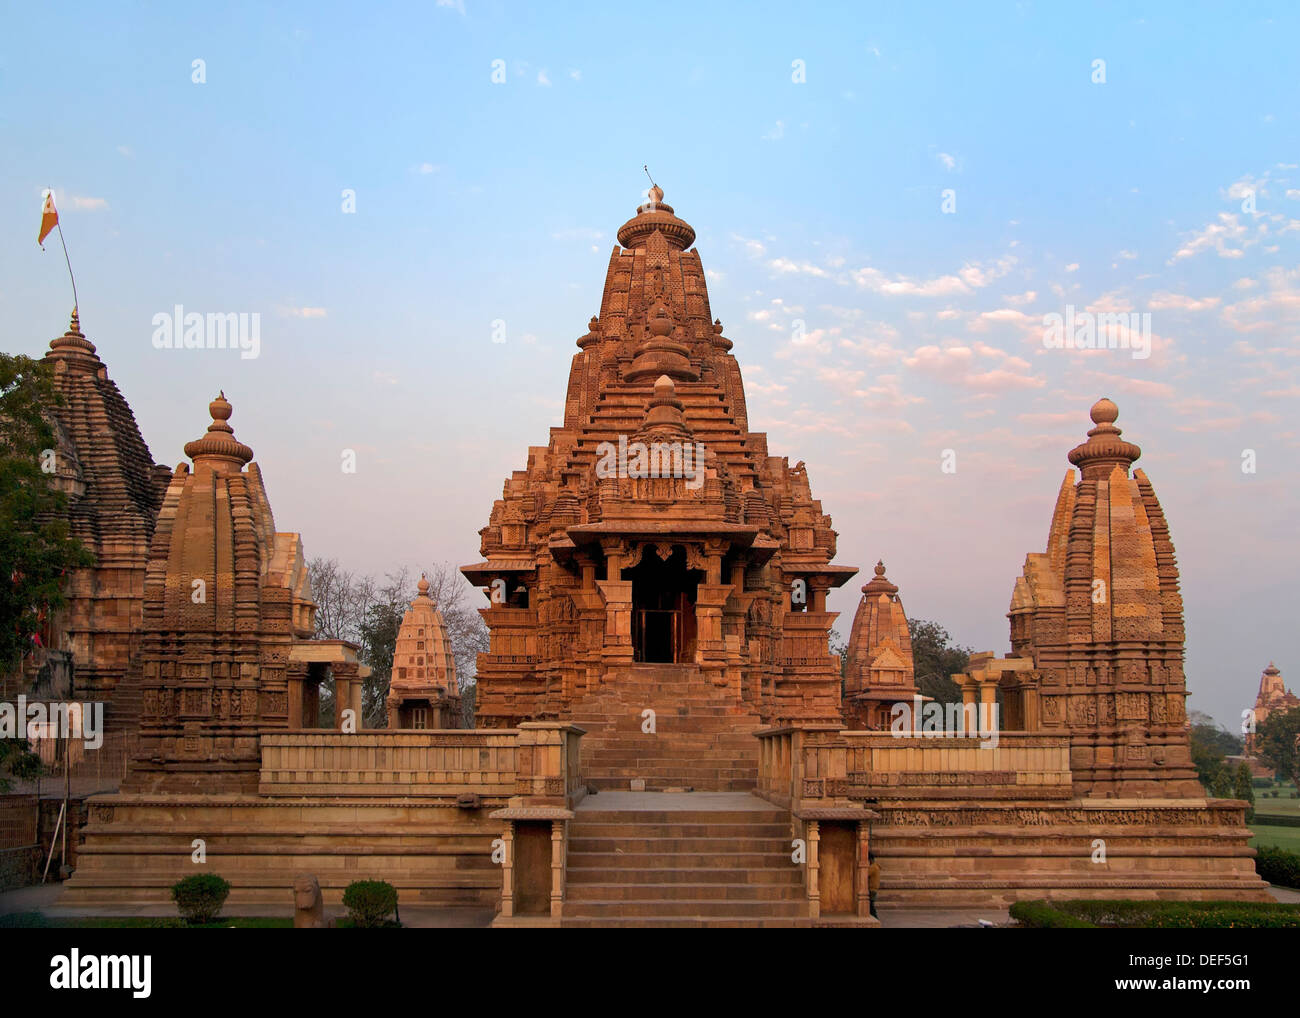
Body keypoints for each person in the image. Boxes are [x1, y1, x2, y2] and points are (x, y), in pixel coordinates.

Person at [867, 852, 881, 919]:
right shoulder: (876, 866)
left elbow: (865, 873)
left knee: (870, 906)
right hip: (874, 888)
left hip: (872, 889)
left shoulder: (873, 867)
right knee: (870, 905)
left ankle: (875, 918)